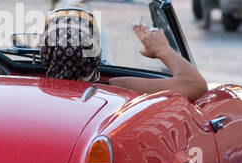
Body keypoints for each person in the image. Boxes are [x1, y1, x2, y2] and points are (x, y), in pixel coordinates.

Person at [38, 10, 208, 102]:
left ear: (44, 53)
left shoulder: (28, 88)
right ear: (96, 52)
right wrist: (163, 50)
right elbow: (195, 85)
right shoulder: (118, 87)